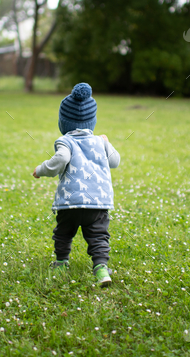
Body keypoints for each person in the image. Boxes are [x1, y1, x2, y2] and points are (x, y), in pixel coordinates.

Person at [32, 82, 120, 287]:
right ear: (92, 121)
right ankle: (101, 269)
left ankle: (62, 262)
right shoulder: (101, 141)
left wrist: (41, 169)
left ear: (63, 122)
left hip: (70, 202)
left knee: (63, 232)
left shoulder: (65, 140)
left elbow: (61, 159)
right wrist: (108, 143)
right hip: (97, 203)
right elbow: (115, 161)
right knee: (98, 236)